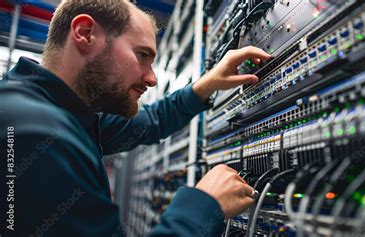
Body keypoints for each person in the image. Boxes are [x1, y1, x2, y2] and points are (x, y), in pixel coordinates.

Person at [0, 0, 271, 236]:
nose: (152, 79)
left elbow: (147, 122)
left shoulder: (58, 112)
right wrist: (204, 205)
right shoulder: (34, 133)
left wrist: (206, 85)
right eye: (142, 55)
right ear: (85, 33)